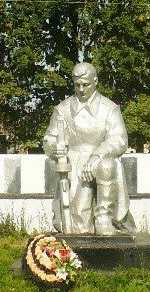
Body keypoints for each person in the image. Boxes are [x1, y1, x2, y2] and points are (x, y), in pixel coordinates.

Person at [42, 63, 136, 235]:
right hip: (74, 164)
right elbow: (49, 138)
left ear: (95, 81)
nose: (81, 89)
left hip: (102, 159)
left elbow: (119, 140)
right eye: (77, 85)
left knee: (107, 166)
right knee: (80, 227)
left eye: (86, 84)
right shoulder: (62, 109)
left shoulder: (109, 108)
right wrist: (55, 148)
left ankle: (105, 219)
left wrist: (96, 156)